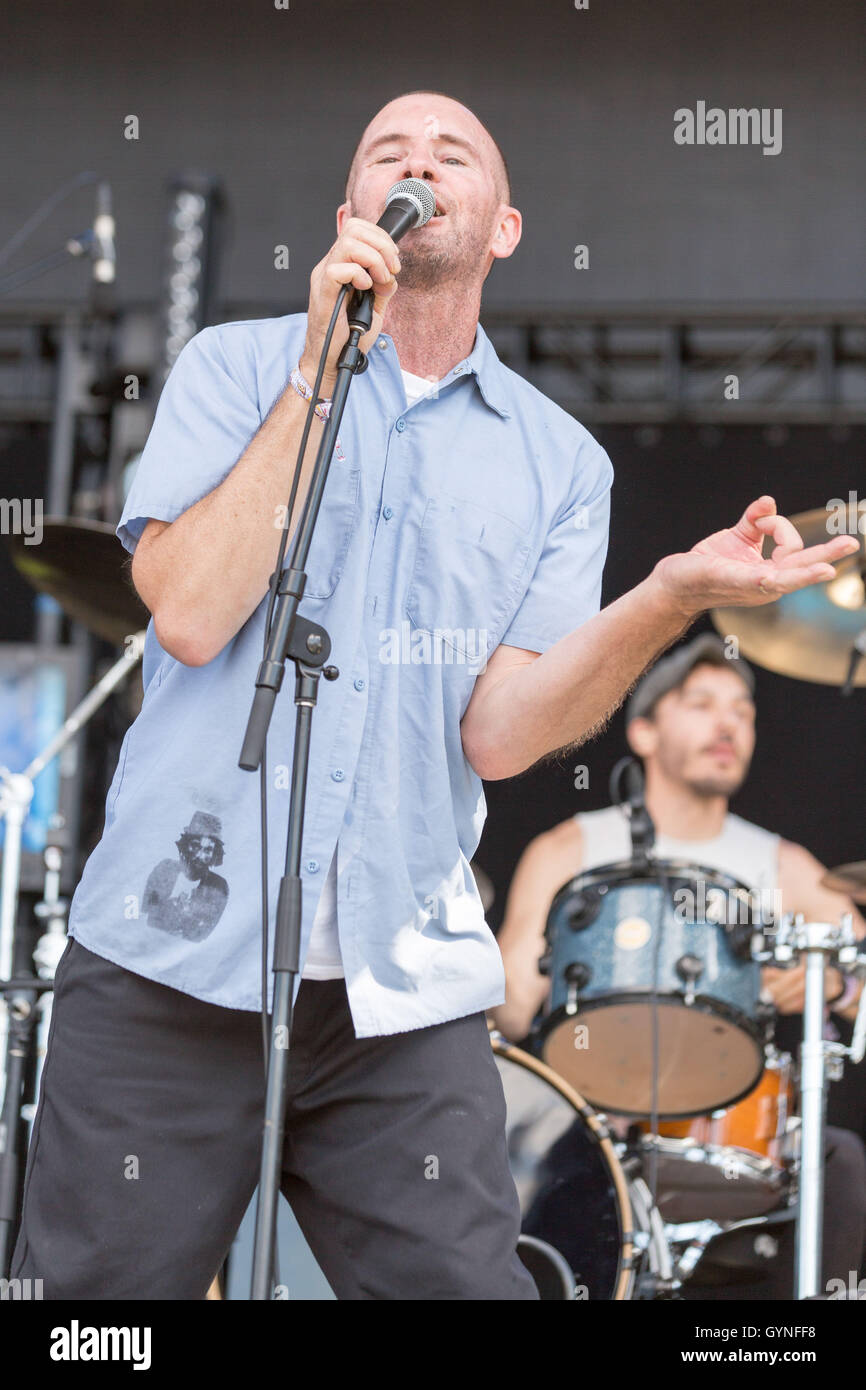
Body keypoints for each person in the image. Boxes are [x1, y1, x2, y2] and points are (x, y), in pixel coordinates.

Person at [11, 91, 857, 1301]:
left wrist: (669, 596)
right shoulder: (233, 366)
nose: (417, 162)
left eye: (449, 152)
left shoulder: (559, 461)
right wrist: (315, 368)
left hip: (394, 995)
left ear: (502, 227)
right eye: (386, 154)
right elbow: (189, 613)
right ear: (351, 212)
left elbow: (502, 732)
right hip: (168, 961)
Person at [492, 634, 866, 1297]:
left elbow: (859, 988)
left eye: (742, 711)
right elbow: (513, 1007)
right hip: (589, 1129)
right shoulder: (571, 849)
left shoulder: (785, 868)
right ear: (642, 729)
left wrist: (828, 983)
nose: (727, 724)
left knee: (840, 1161)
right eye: (701, 704)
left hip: (731, 1135)